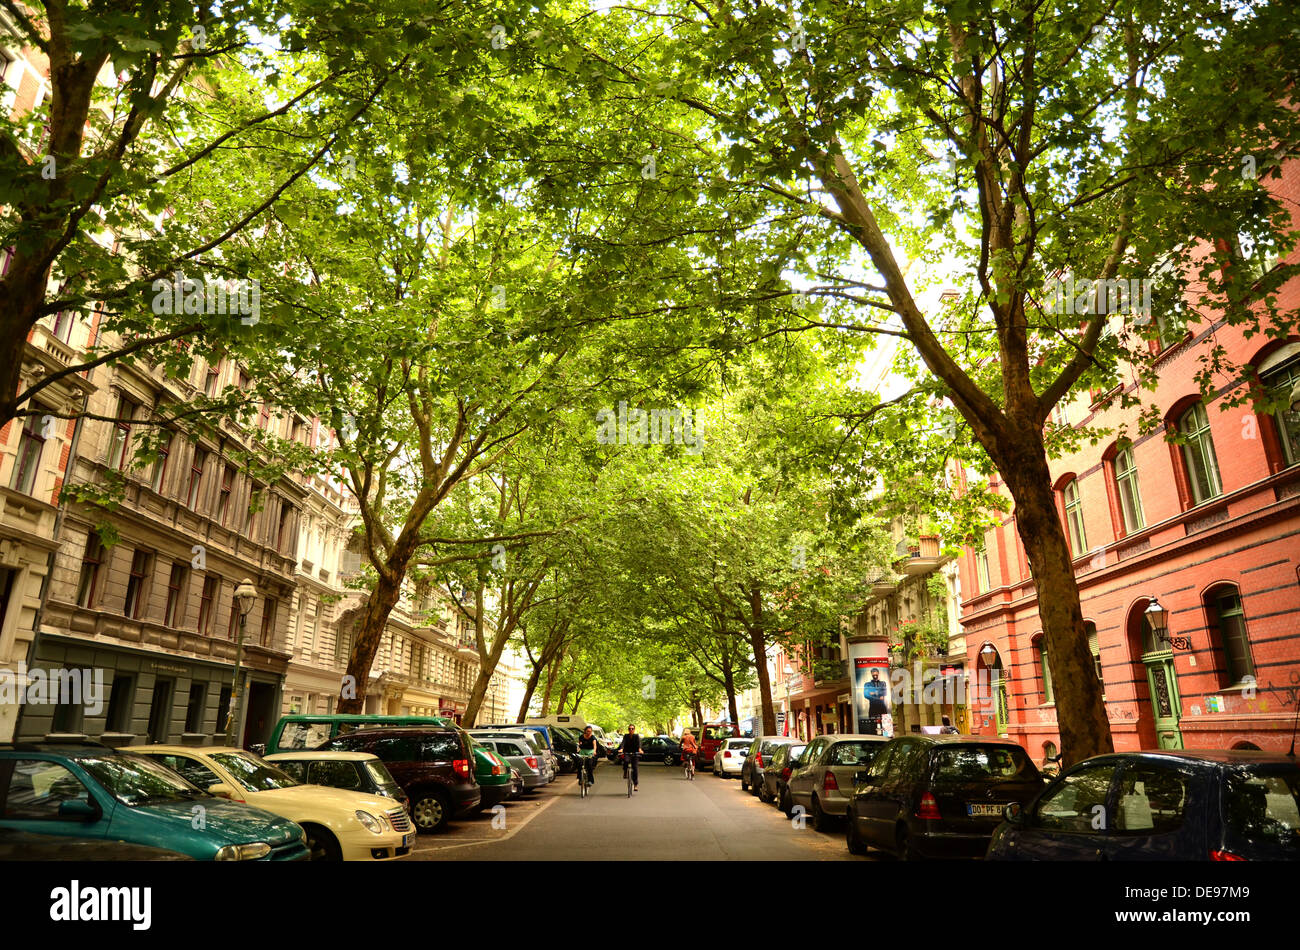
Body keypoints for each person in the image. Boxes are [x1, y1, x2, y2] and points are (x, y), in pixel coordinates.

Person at [619, 723, 642, 791]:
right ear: (628, 729)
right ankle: (625, 771)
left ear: (634, 729)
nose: (631, 730)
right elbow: (623, 743)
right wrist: (621, 749)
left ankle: (635, 785)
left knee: (635, 768)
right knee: (626, 761)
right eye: (629, 728)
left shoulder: (636, 736)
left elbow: (639, 743)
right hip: (627, 752)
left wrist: (640, 749)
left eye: (632, 728)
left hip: (635, 753)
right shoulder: (626, 736)